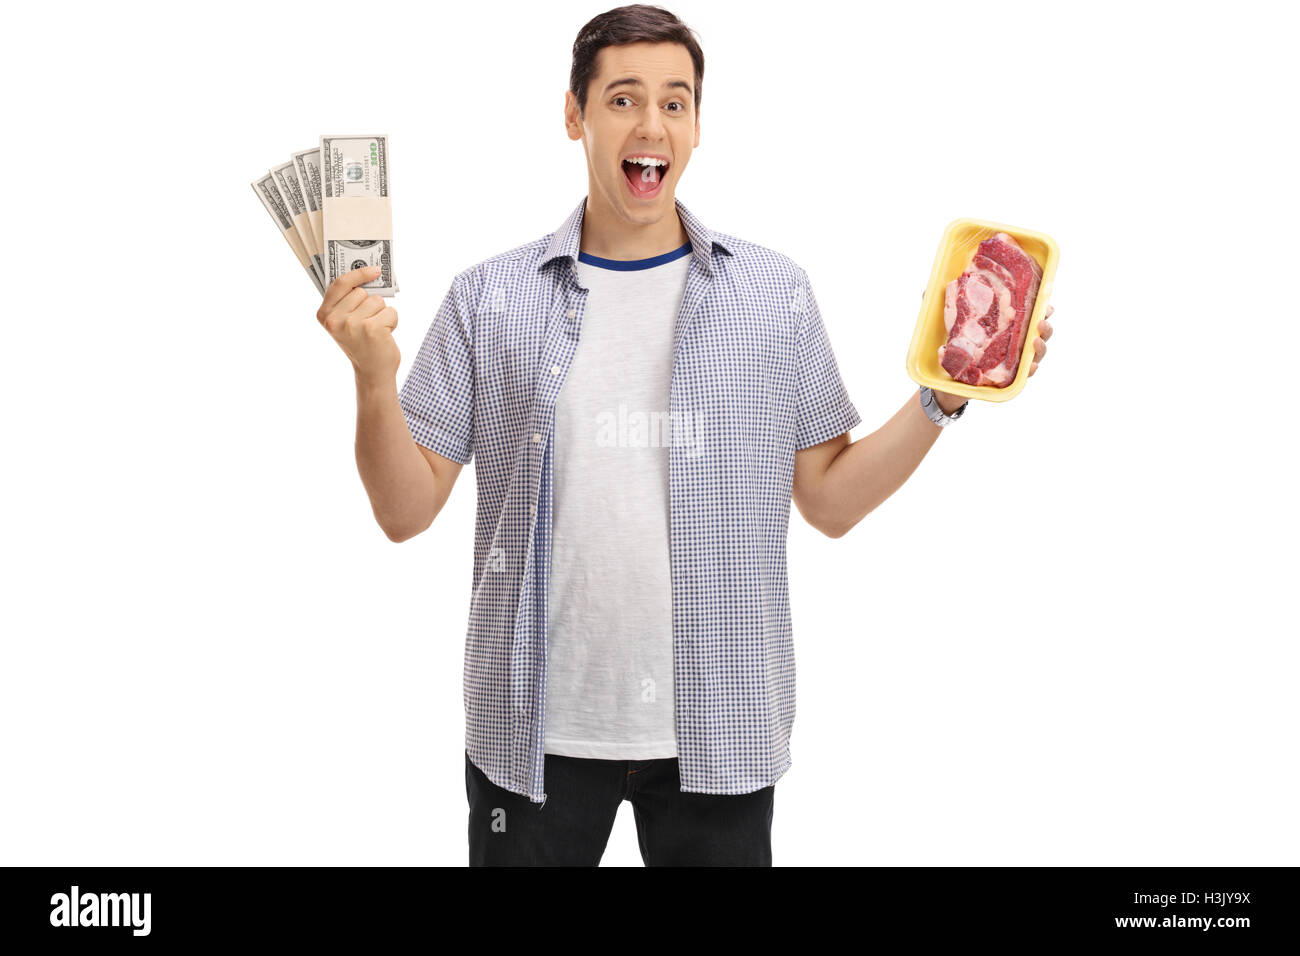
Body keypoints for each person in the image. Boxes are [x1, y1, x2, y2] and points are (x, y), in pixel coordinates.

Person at [315, 4, 1054, 867]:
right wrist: (372, 378)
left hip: (723, 728)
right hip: (533, 737)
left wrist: (943, 399)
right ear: (574, 115)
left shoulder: (772, 294)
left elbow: (828, 501)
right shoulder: (490, 297)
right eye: (624, 99)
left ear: (698, 124)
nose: (651, 124)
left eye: (676, 102)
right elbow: (405, 513)